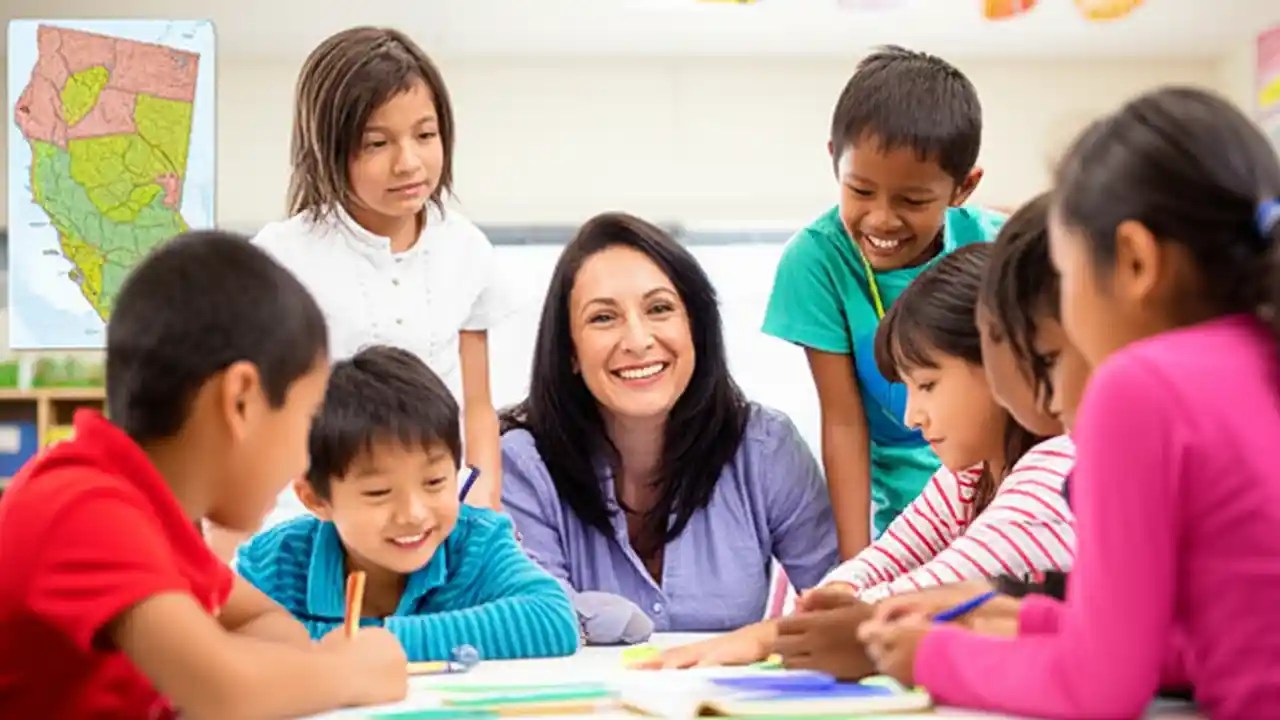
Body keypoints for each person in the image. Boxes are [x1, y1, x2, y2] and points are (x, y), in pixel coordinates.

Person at [859, 87, 1280, 719]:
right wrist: (1029, 620)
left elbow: (1099, 688)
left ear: (1135, 261)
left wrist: (928, 657)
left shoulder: (1140, 386)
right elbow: (1211, 646)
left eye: (1064, 269)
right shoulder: (1256, 359)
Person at [0, 231, 408, 718]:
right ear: (241, 401)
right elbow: (226, 692)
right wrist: (350, 670)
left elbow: (267, 622)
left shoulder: (156, 518)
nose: (304, 459)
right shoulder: (83, 506)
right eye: (306, 419)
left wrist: (255, 672)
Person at [652, 243, 1074, 670]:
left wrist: (771, 636)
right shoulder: (970, 476)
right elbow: (882, 561)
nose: (912, 417)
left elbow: (937, 585)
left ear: (1000, 364)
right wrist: (824, 603)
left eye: (927, 385)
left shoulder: (1058, 467)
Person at [501, 211, 839, 636]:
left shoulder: (765, 447)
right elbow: (537, 620)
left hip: (730, 701)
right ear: (570, 351)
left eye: (659, 309)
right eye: (603, 318)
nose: (639, 341)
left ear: (695, 327)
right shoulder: (520, 465)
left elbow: (840, 599)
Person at [242, 27, 509, 548]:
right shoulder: (281, 256)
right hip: (316, 521)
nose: (408, 162)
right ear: (327, 149)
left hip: (434, 519)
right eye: (377, 143)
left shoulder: (466, 249)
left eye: (425, 136)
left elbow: (477, 403)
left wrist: (483, 500)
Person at [761, 45, 1005, 560]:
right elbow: (845, 421)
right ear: (834, 159)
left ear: (963, 187)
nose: (881, 220)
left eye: (913, 201)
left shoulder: (998, 249)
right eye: (860, 191)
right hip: (904, 520)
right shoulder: (816, 261)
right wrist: (856, 565)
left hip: (1005, 495)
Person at [236, 345, 581, 661]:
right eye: (378, 493)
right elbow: (224, 645)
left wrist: (377, 643)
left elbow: (552, 619)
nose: (414, 514)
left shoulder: (476, 542)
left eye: (434, 483)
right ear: (316, 499)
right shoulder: (276, 563)